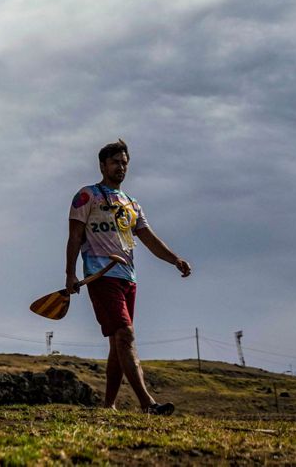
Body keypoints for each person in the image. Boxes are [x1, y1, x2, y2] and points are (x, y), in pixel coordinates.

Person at [65, 139, 191, 415]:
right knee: (125, 335)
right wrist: (70, 274)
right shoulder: (87, 196)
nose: (121, 167)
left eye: (124, 163)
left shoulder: (131, 203)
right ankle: (147, 403)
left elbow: (147, 237)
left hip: (127, 278)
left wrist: (175, 260)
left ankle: (108, 405)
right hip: (100, 276)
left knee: (117, 342)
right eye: (115, 162)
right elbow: (74, 237)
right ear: (102, 165)